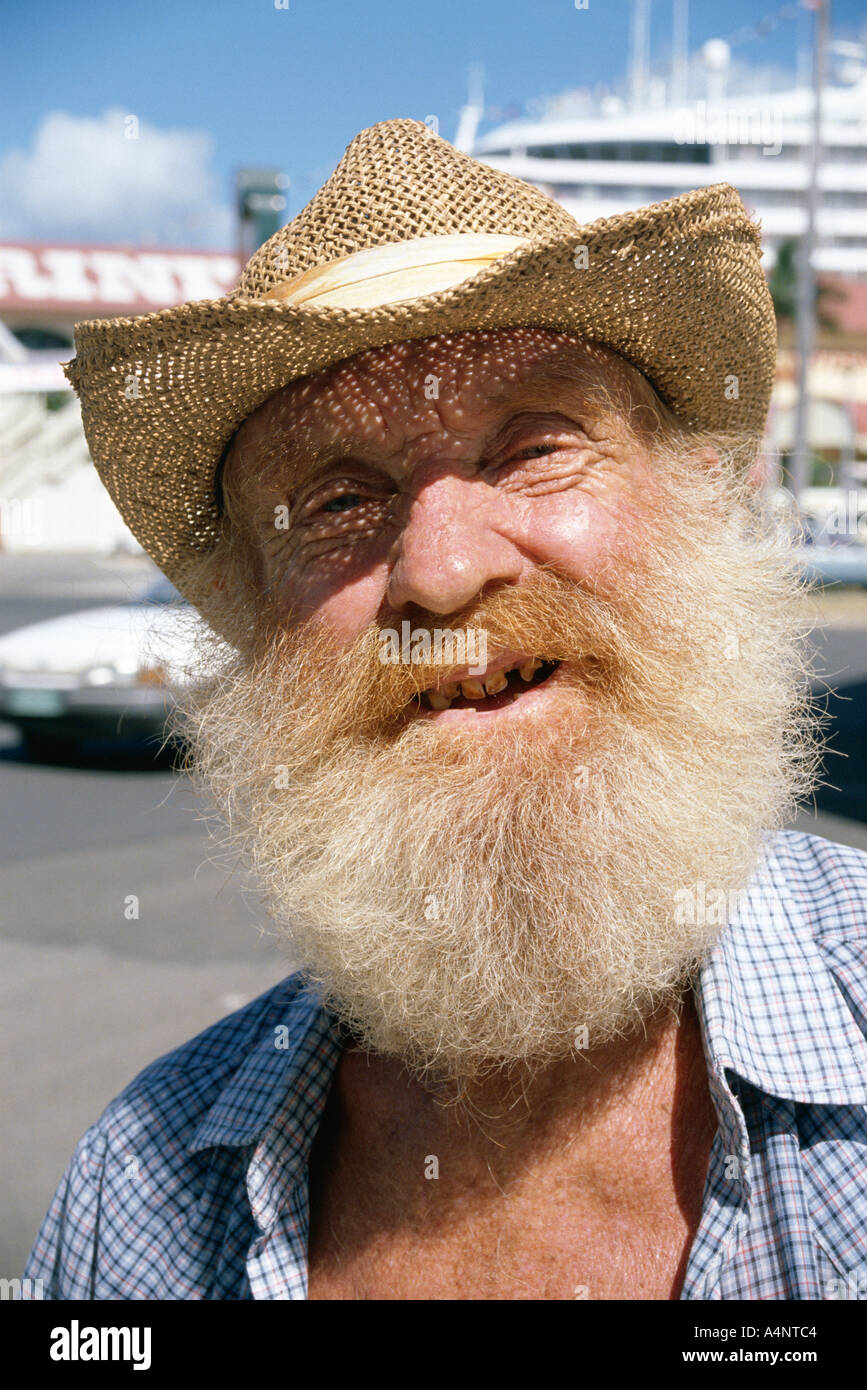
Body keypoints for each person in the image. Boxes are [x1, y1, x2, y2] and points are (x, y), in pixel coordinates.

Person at [24, 118, 867, 1301]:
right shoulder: (137, 1199)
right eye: (336, 500)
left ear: (696, 498)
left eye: (533, 447)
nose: (440, 568)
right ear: (254, 617)